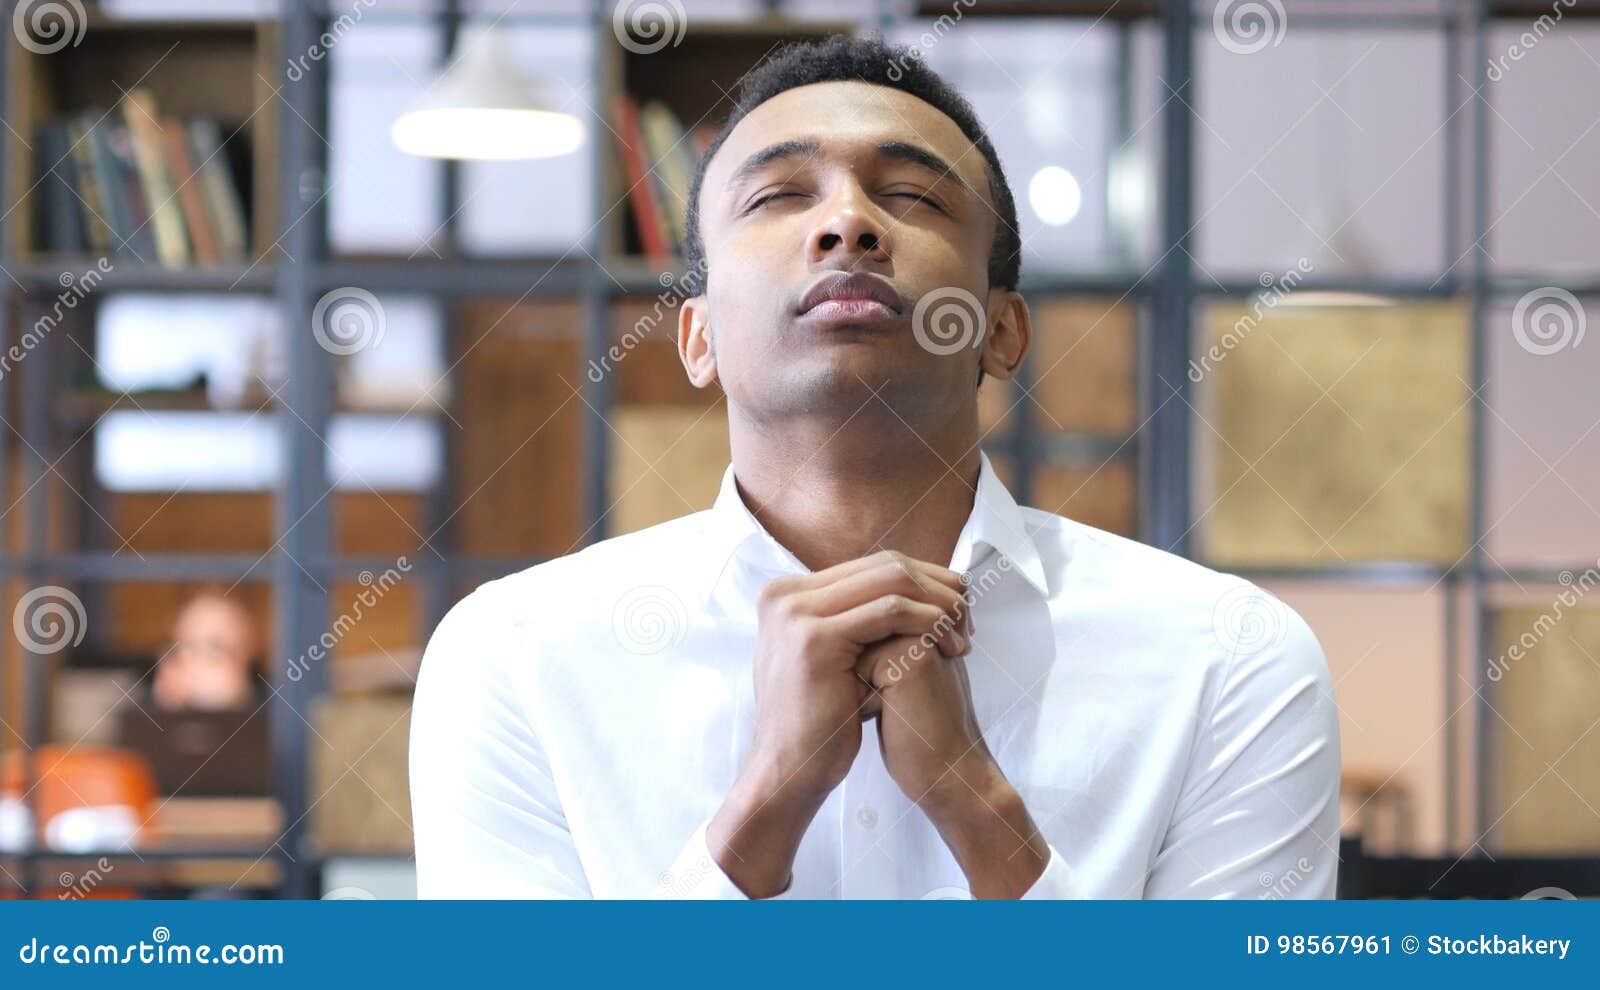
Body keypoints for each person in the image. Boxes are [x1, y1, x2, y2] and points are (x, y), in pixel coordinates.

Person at [410, 35, 1340, 899]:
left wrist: (978, 806)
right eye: (779, 197)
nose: (847, 222)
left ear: (1003, 330)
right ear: (699, 338)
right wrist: (761, 809)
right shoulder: (512, 658)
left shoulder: (1232, 662)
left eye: (913, 198)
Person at [151, 591, 259, 712]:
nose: (195, 663)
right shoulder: (146, 709)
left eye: (214, 650)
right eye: (187, 646)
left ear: (243, 654)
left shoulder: (274, 715)